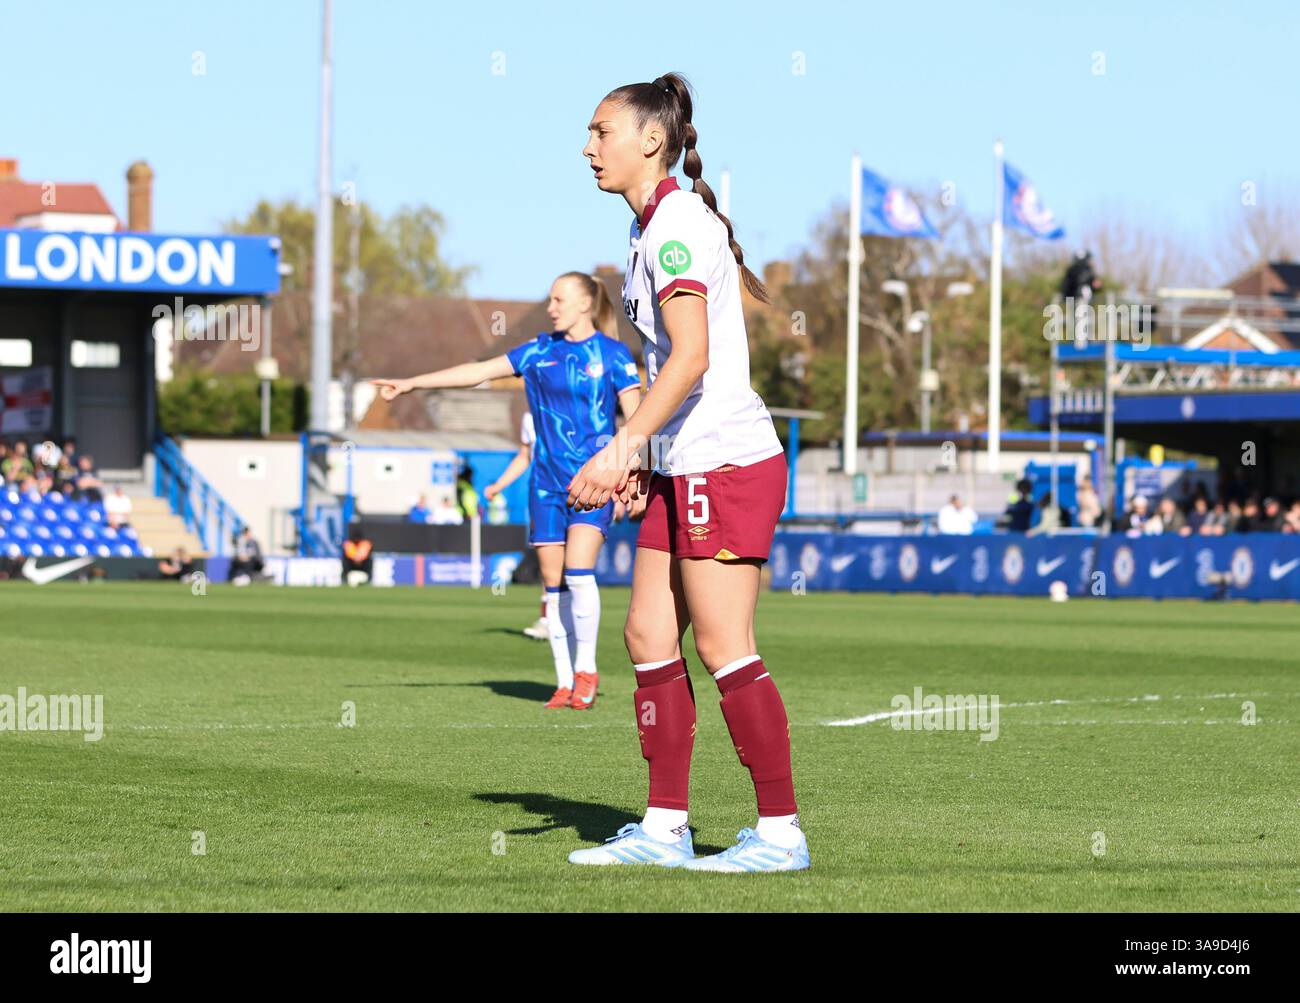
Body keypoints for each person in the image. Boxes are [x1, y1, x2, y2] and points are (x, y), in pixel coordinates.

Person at [562, 72, 807, 871]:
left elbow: (693, 357)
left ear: (651, 140)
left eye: (603, 131)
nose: (589, 146)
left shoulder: (672, 226)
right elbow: (676, 359)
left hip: (726, 461)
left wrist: (625, 445)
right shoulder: (649, 228)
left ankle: (780, 833)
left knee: (725, 645)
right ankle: (664, 827)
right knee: (645, 633)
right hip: (686, 461)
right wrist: (650, 454)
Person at [372, 270, 643, 711]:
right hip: (546, 485)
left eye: (558, 299)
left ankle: (587, 669)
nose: (551, 307)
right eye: (550, 299)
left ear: (584, 305)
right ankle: (563, 681)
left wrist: (630, 470)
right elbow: (478, 372)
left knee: (578, 571)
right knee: (553, 584)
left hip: (594, 483)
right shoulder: (538, 351)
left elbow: (637, 420)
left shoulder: (613, 355)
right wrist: (412, 383)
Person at [485, 411, 550, 640]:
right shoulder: (530, 417)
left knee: (575, 567)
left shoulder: (580, 398)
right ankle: (548, 619)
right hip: (543, 494)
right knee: (549, 564)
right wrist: (498, 485)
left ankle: (575, 633)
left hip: (579, 492)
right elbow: (525, 455)